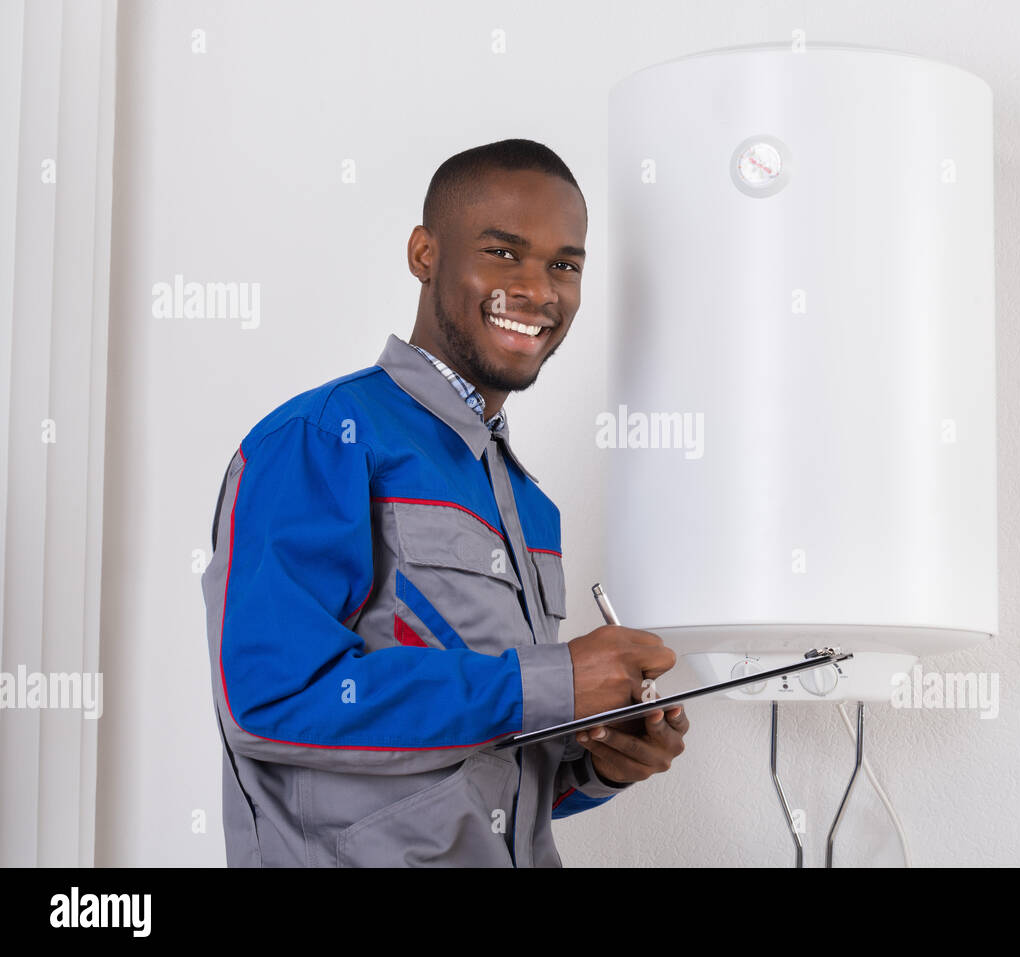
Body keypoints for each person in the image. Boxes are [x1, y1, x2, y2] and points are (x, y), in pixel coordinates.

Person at [199, 138, 688, 867]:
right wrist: (553, 680)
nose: (537, 289)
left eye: (564, 264)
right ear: (424, 253)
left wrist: (599, 762)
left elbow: (471, 770)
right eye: (502, 252)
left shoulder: (528, 503)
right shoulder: (322, 439)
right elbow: (272, 700)